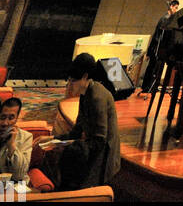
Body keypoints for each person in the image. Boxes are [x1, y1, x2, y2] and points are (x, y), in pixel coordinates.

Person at [35, 53, 121, 190]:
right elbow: (77, 130)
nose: (69, 85)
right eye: (68, 80)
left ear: (85, 77)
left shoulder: (97, 98)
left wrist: (68, 144)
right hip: (89, 147)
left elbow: (99, 141)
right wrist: (52, 139)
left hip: (103, 155)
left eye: (73, 81)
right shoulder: (84, 93)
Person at [0, 96, 32, 183]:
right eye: (2, 117)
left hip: (8, 186)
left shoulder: (25, 138)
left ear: (16, 119)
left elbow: (19, 176)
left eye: (11, 118)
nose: (5, 123)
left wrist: (11, 146)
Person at [141, 0, 180, 95]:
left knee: (154, 67)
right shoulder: (165, 19)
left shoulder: (167, 18)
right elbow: (158, 35)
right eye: (175, 8)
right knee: (153, 67)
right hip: (157, 47)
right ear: (171, 6)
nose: (176, 10)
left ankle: (149, 86)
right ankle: (147, 87)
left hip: (157, 46)